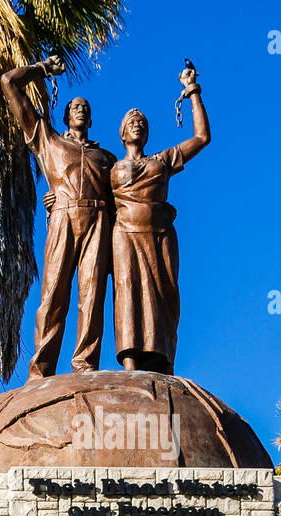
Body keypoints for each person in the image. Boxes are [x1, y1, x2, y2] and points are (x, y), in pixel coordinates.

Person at [1, 56, 116, 378]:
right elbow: (9, 82)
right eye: (75, 106)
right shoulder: (47, 139)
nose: (81, 109)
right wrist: (42, 69)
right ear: (65, 115)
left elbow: (123, 198)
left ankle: (85, 365)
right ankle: (41, 369)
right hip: (63, 215)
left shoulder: (106, 157)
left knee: (92, 296)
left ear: (91, 119)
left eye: (86, 108)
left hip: (98, 218)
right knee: (53, 294)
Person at [110, 63, 210, 375]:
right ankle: (130, 362)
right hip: (124, 233)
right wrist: (55, 198)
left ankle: (164, 362)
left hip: (159, 233)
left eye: (141, 122)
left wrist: (192, 91)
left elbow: (202, 137)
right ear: (123, 132)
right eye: (131, 121)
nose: (137, 124)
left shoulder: (162, 160)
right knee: (127, 291)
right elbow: (83, 193)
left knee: (165, 294)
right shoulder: (110, 168)